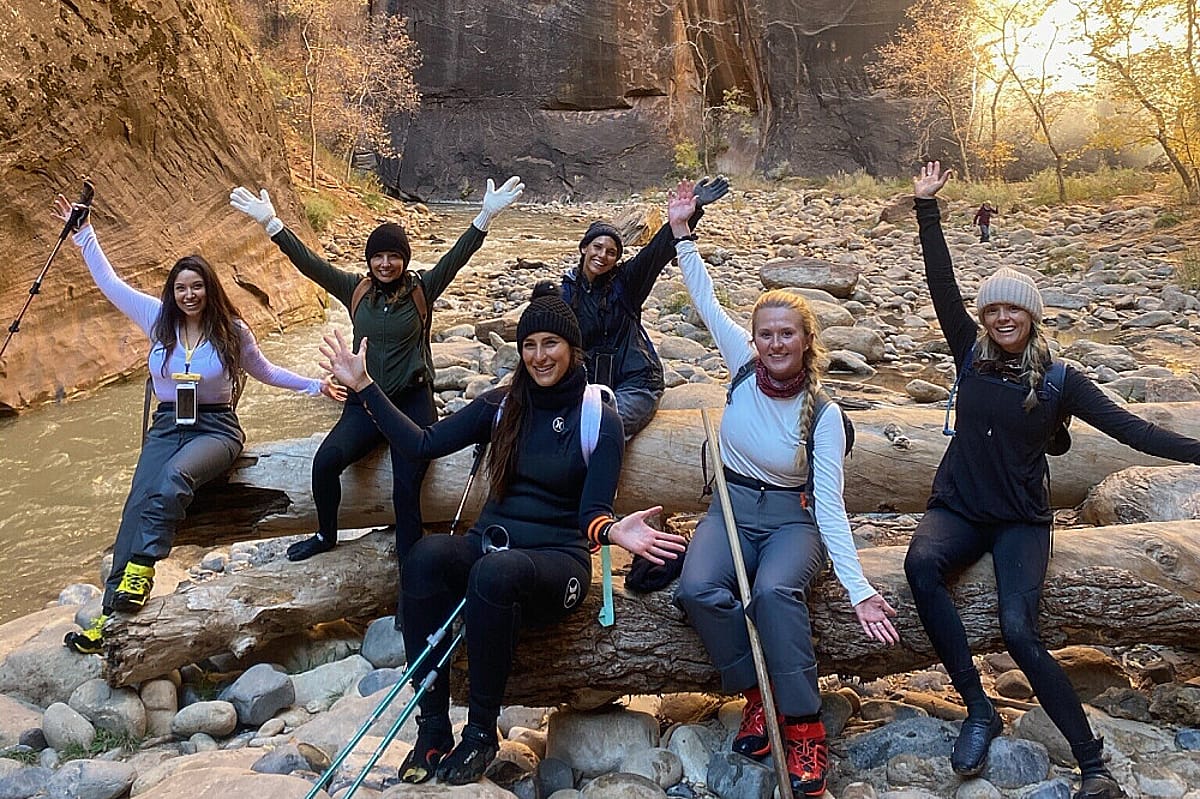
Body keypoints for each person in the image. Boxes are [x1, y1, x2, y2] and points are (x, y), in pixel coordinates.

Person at [906, 161, 1200, 799]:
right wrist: (926, 207)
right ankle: (978, 708)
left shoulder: (1062, 380)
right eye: (993, 309)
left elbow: (1134, 431)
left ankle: (1093, 763)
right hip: (957, 507)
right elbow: (940, 283)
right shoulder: (968, 351)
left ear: (1034, 317)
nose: (1001, 317)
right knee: (920, 565)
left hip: (1020, 519)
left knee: (1018, 629)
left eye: (1015, 309)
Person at [318, 284, 687, 785]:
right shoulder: (501, 406)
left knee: (494, 573)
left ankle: (480, 734)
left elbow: (592, 514)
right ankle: (432, 730)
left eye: (550, 344)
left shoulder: (598, 415)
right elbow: (423, 442)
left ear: (571, 348)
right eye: (529, 345)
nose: (539, 356)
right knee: (424, 557)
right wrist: (365, 388)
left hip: (557, 566)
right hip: (491, 549)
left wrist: (614, 532)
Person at [667, 188, 899, 797]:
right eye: (766, 333)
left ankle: (802, 726)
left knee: (772, 592)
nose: (774, 344)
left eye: (786, 335)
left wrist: (859, 590)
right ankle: (754, 695)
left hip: (791, 519)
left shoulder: (822, 413)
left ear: (806, 340)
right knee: (697, 588)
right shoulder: (741, 365)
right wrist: (682, 235)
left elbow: (829, 504)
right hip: (731, 507)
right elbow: (705, 299)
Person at [52, 192, 341, 655]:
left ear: (209, 288)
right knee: (135, 505)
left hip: (216, 429)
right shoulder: (158, 319)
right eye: (181, 288)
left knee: (173, 478)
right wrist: (83, 234)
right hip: (168, 425)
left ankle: (142, 570)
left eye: (197, 287)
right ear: (173, 292)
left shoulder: (232, 330)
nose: (189, 295)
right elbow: (110, 283)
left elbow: (264, 371)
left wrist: (314, 385)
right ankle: (109, 618)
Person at [229, 177, 523, 566]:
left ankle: (411, 572)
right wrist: (272, 224)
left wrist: (485, 215)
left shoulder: (423, 289)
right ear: (369, 260)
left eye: (394, 257)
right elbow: (310, 264)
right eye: (378, 257)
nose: (385, 264)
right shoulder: (356, 291)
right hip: (365, 403)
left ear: (404, 258)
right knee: (325, 462)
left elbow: (457, 255)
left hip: (411, 403)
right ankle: (325, 534)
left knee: (405, 490)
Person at [563, 175, 729, 439]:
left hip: (636, 381)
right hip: (588, 385)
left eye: (611, 252)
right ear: (584, 248)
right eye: (597, 247)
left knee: (600, 429)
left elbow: (657, 251)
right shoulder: (565, 293)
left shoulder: (626, 283)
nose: (602, 256)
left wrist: (689, 215)